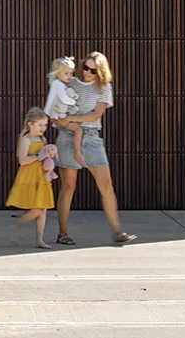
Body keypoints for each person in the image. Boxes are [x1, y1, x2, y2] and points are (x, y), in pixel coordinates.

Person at [54, 50, 137, 246]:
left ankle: (118, 231)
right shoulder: (70, 82)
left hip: (91, 138)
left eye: (93, 70)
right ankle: (62, 233)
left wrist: (71, 118)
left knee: (106, 185)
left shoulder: (103, 87)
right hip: (68, 136)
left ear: (100, 71)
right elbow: (57, 110)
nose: (88, 72)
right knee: (68, 187)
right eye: (86, 67)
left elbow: (95, 115)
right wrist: (62, 120)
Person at [5, 106, 55, 247]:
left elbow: (44, 156)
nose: (43, 128)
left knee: (43, 208)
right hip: (29, 176)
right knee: (38, 208)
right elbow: (22, 161)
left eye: (45, 125)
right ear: (30, 124)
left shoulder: (43, 139)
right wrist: (39, 156)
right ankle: (17, 225)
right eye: (40, 125)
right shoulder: (26, 140)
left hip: (41, 176)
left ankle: (39, 239)